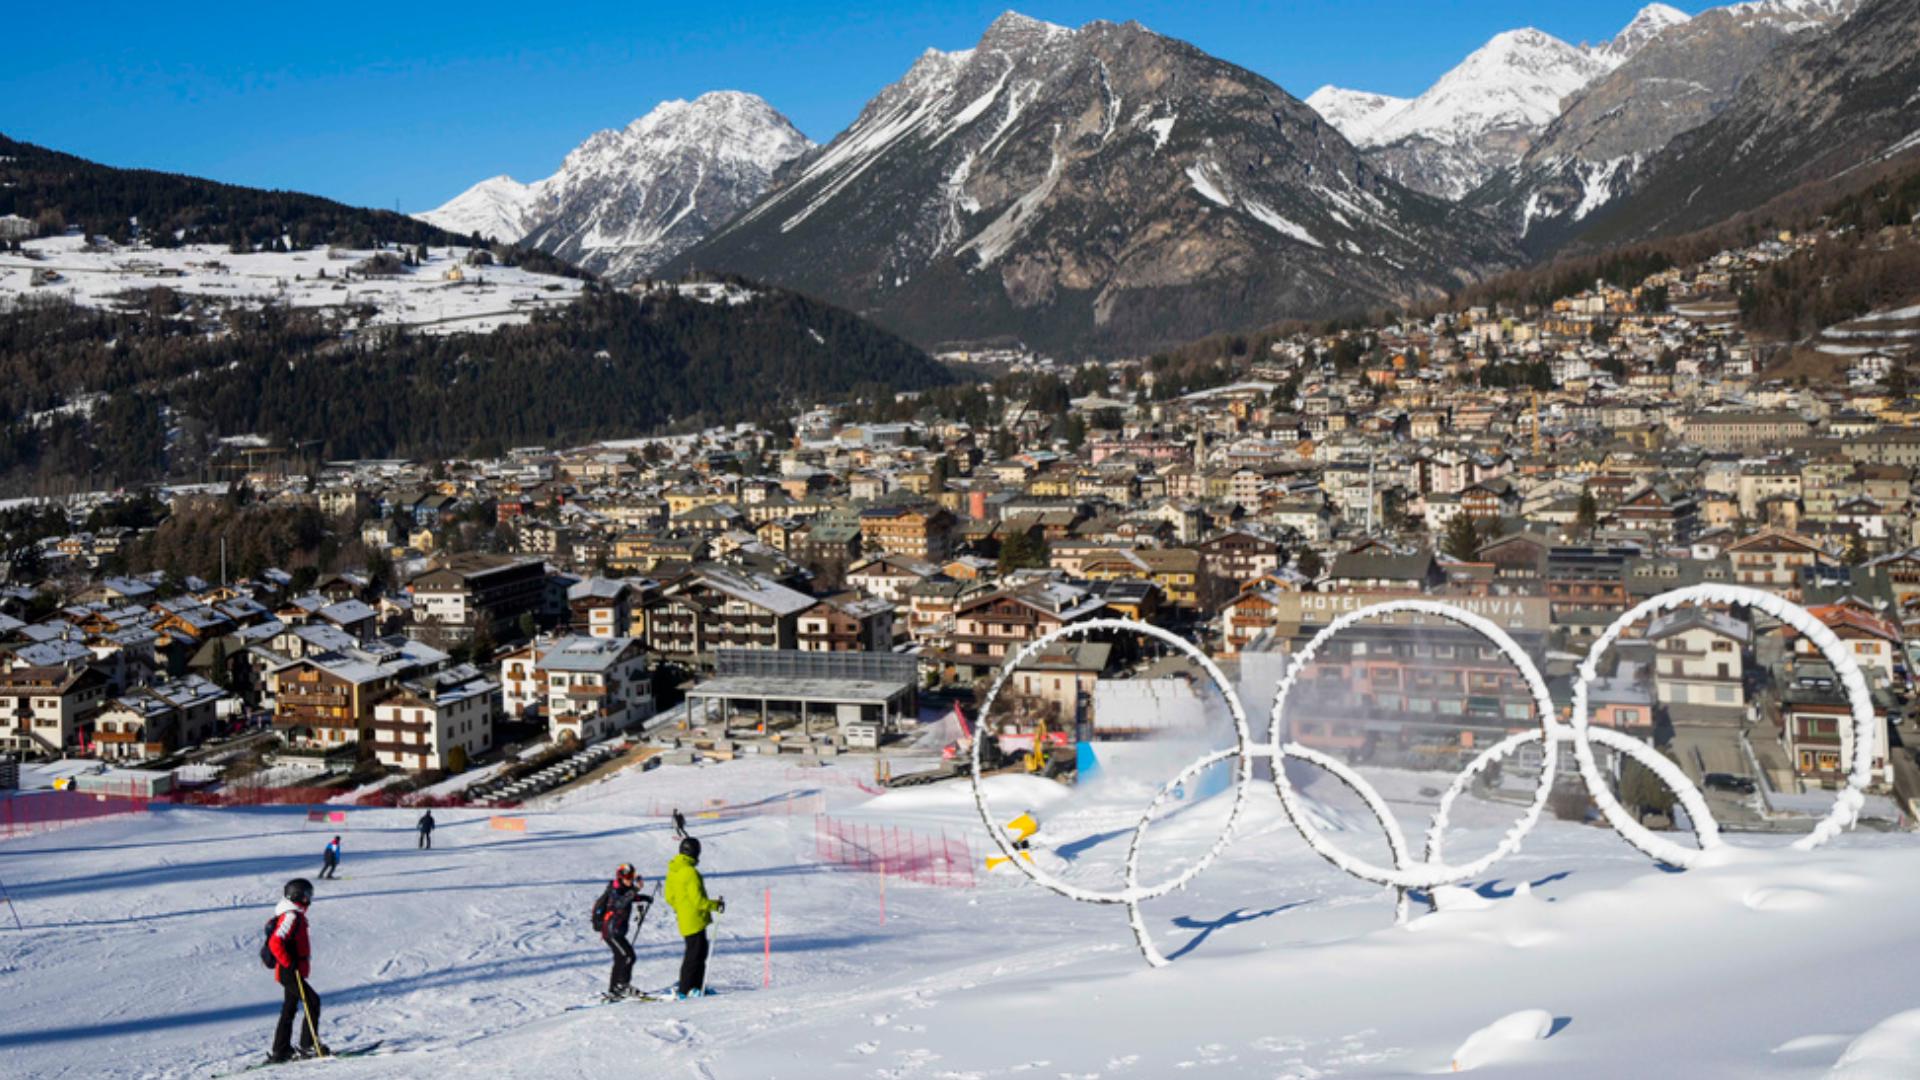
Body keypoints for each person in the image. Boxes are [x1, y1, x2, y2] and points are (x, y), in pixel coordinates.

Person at [267, 878, 329, 1063]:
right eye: (307, 895)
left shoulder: (294, 915)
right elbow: (275, 941)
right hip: (289, 970)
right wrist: (289, 963)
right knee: (313, 1001)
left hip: (291, 969)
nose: (309, 899)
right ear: (297, 895)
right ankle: (308, 1046)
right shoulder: (291, 916)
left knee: (289, 1008)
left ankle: (281, 1050)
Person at [663, 836, 723, 999]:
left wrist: (681, 908)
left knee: (694, 953)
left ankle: (694, 987)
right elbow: (699, 901)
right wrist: (716, 905)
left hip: (685, 918)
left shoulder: (673, 870)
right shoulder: (690, 872)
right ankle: (687, 989)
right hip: (695, 919)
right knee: (696, 955)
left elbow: (669, 896)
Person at [591, 863, 652, 999]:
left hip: (617, 930)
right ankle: (623, 986)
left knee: (620, 958)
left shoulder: (624, 888)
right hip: (611, 931)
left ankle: (614, 990)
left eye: (632, 877)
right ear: (620, 877)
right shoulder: (615, 889)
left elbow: (628, 898)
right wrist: (635, 889)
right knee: (629, 956)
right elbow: (620, 903)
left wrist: (643, 897)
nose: (630, 880)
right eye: (627, 877)